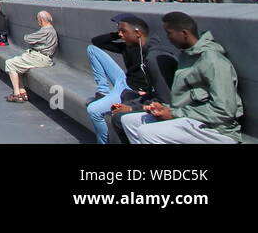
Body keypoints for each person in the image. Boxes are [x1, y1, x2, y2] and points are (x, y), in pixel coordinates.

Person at [120, 12, 243, 144]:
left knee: (148, 133)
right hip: (189, 119)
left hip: (217, 130)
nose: (168, 38)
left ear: (184, 33)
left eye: (169, 33)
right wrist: (163, 109)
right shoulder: (185, 57)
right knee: (128, 121)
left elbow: (224, 111)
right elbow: (182, 100)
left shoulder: (213, 61)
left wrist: (174, 114)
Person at [87, 13, 178, 144]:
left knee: (93, 110)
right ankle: (103, 90)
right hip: (123, 79)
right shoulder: (126, 47)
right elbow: (97, 41)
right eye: (119, 30)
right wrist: (117, 34)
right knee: (92, 49)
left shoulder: (151, 53)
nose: (120, 35)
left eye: (123, 31)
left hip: (132, 88)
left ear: (137, 32)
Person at [3, 11, 58, 102]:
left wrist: (29, 38)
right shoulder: (50, 29)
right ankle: (22, 91)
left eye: (37, 19)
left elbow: (28, 38)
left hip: (40, 57)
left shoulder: (46, 30)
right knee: (17, 66)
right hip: (41, 56)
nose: (37, 22)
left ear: (41, 19)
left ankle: (17, 94)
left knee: (9, 63)